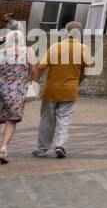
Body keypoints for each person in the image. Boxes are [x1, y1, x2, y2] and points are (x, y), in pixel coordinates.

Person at [32, 21, 93, 159]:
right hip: (69, 90)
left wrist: (35, 84)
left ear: (66, 32)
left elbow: (40, 67)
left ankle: (41, 149)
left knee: (47, 120)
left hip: (51, 90)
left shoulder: (55, 47)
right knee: (64, 119)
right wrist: (76, 84)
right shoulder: (83, 48)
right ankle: (60, 145)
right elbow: (85, 71)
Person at [0, 21, 38, 164]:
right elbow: (34, 70)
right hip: (17, 91)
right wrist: (33, 82)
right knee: (11, 120)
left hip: (1, 88)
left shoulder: (2, 53)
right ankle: (3, 148)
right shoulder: (28, 51)